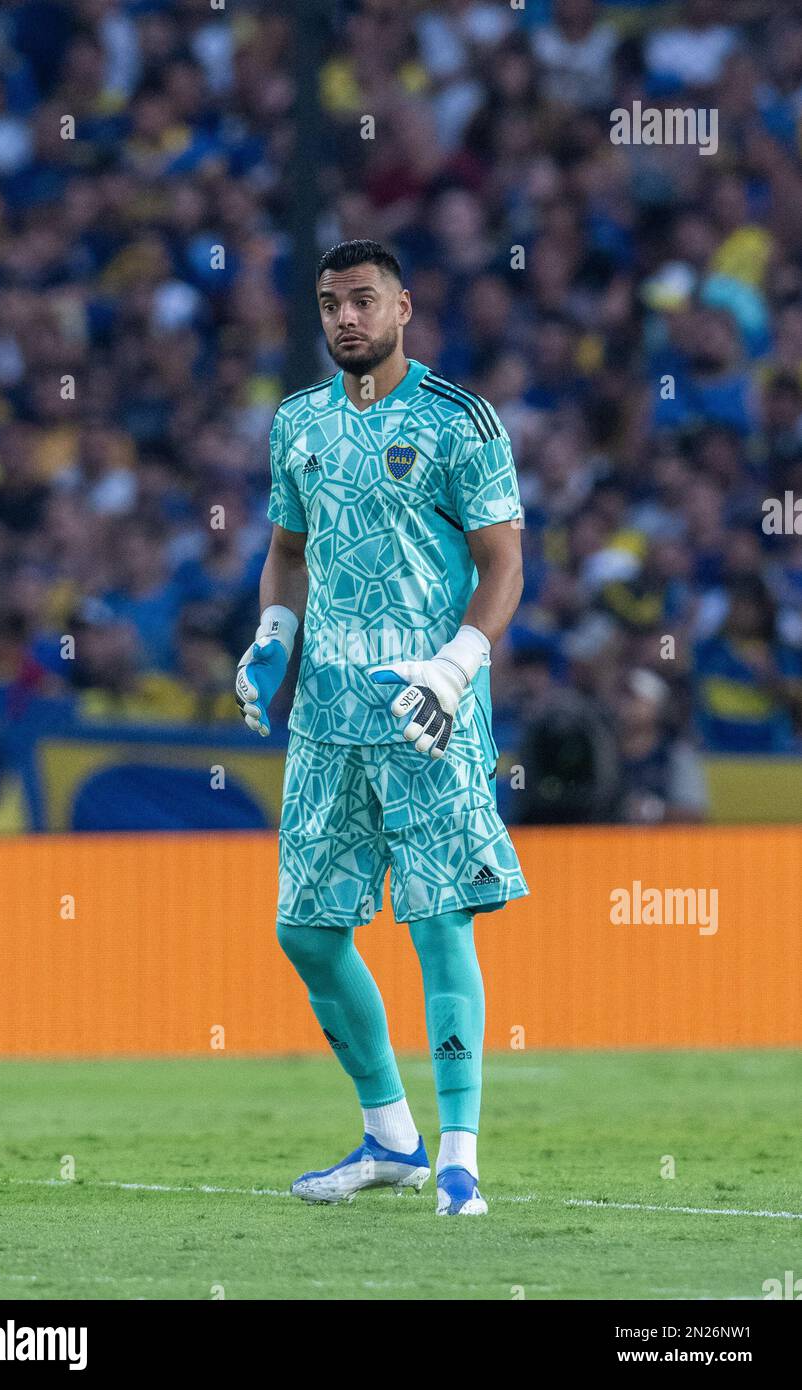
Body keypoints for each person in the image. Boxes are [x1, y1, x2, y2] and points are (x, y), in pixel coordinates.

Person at [235, 240, 528, 1216]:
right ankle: (389, 1137)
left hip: (428, 714)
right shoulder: (297, 425)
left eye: (363, 300)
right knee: (307, 932)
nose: (345, 319)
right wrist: (273, 634)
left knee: (437, 923)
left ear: (402, 305)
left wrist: (456, 664)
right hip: (325, 722)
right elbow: (286, 551)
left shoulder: (458, 421)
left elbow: (501, 566)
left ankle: (457, 1154)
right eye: (329, 304)